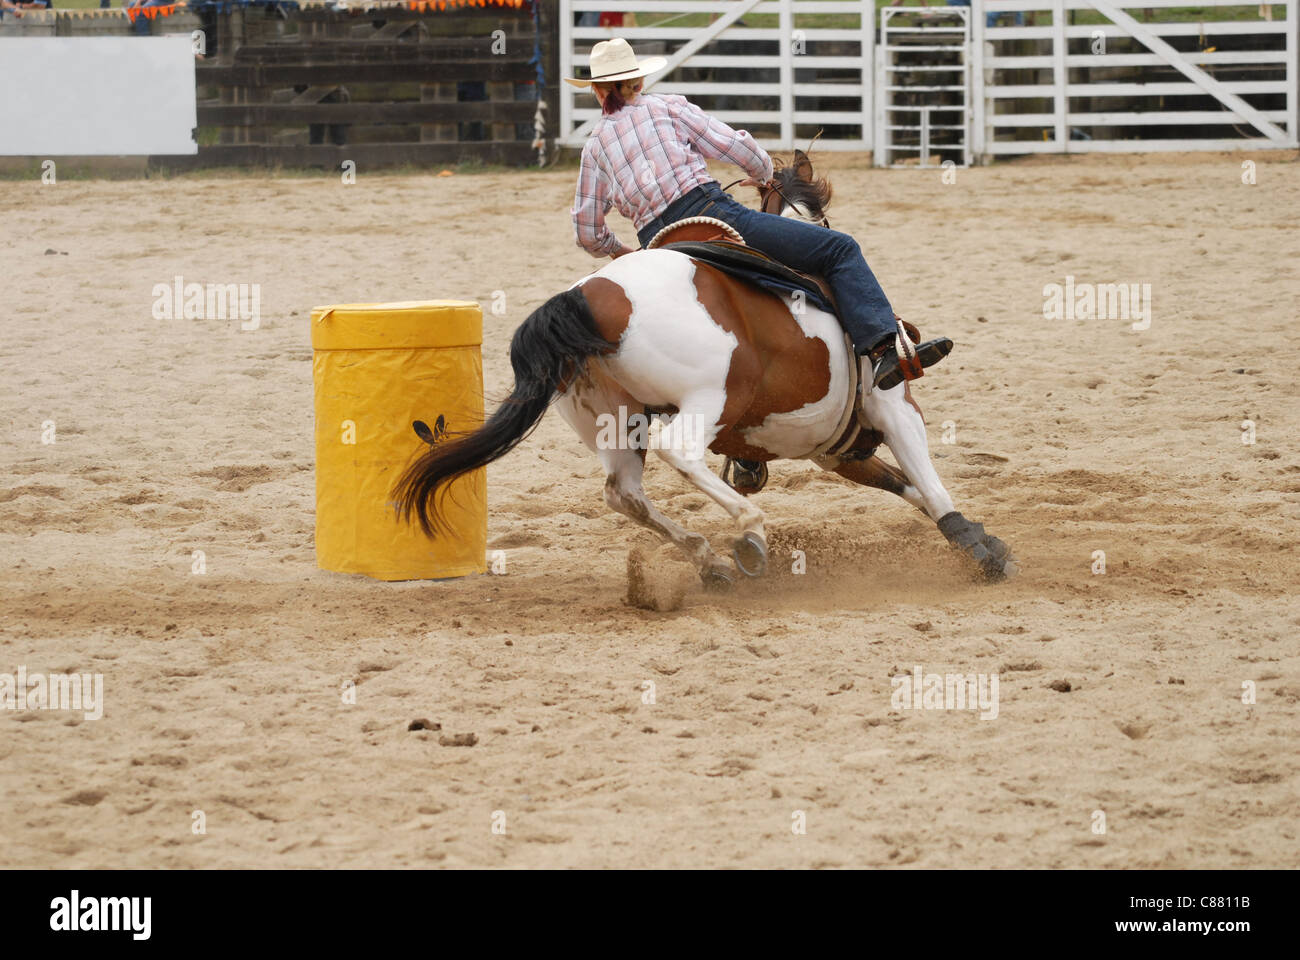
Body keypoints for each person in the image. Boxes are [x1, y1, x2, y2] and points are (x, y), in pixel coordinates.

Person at [565, 38, 951, 403]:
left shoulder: (594, 148)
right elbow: (734, 146)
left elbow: (587, 232)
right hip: (712, 215)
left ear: (597, 91)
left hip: (658, 243)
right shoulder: (668, 107)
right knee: (839, 249)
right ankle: (884, 346)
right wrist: (764, 171)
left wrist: (619, 251)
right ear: (639, 80)